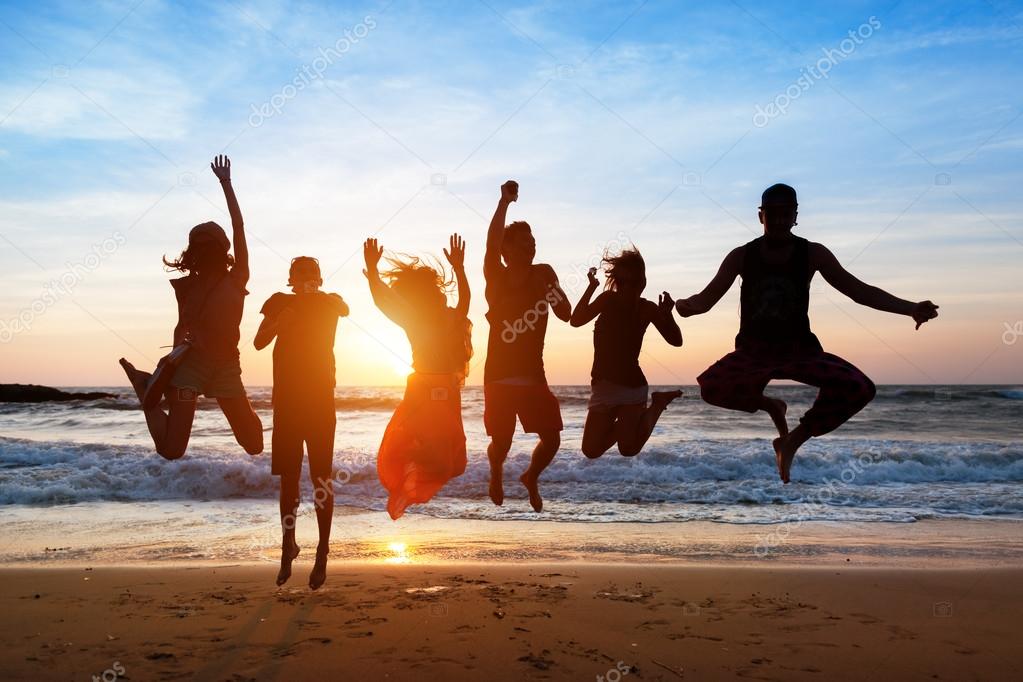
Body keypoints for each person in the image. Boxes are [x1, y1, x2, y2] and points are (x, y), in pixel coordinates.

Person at [675, 183, 939, 482]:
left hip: (799, 350)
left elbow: (859, 291)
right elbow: (706, 299)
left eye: (785, 214)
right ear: (760, 216)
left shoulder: (813, 254)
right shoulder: (742, 256)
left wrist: (909, 308)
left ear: (795, 215)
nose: (777, 221)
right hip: (753, 352)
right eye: (771, 214)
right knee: (710, 388)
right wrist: (686, 306)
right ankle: (771, 405)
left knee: (860, 387)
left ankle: (791, 441)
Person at [119, 155, 263, 460]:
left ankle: (147, 388)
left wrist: (226, 184)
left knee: (254, 443)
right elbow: (180, 327)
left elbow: (239, 226)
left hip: (226, 366)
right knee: (172, 449)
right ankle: (146, 390)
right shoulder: (190, 285)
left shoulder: (237, 278)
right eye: (202, 246)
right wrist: (171, 369)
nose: (207, 252)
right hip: (191, 366)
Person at [254, 256, 349, 589]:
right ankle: (288, 545)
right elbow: (258, 341)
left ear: (320, 279)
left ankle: (322, 551)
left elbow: (345, 308)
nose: (307, 279)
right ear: (291, 279)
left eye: (313, 275)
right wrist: (279, 324)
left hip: (321, 402)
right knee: (289, 481)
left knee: (321, 480)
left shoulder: (329, 303)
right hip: (288, 404)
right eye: (300, 274)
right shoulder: (278, 303)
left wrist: (329, 299)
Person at [364, 234, 473, 520]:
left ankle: (410, 478)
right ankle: (407, 481)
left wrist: (373, 274)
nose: (440, 295)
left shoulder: (440, 317)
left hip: (437, 387)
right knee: (433, 450)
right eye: (435, 291)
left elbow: (464, 302)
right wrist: (372, 273)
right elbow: (382, 303)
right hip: (431, 387)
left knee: (451, 460)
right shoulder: (417, 317)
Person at [482, 181, 571, 512]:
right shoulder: (496, 276)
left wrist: (551, 290)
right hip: (500, 376)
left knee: (552, 439)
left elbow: (566, 314)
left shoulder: (544, 272)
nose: (530, 248)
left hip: (534, 374)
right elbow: (491, 245)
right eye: (522, 244)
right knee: (501, 442)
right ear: (507, 250)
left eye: (533, 243)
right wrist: (504, 202)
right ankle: (496, 469)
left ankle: (530, 476)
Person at [570, 248, 684, 458]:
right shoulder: (607, 300)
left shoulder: (647, 308)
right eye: (621, 282)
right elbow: (575, 320)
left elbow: (676, 341)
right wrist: (591, 287)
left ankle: (657, 404)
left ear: (641, 283)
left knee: (628, 449)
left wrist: (668, 315)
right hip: (602, 385)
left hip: (632, 388)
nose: (625, 288)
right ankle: (631, 420)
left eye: (630, 283)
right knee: (591, 450)